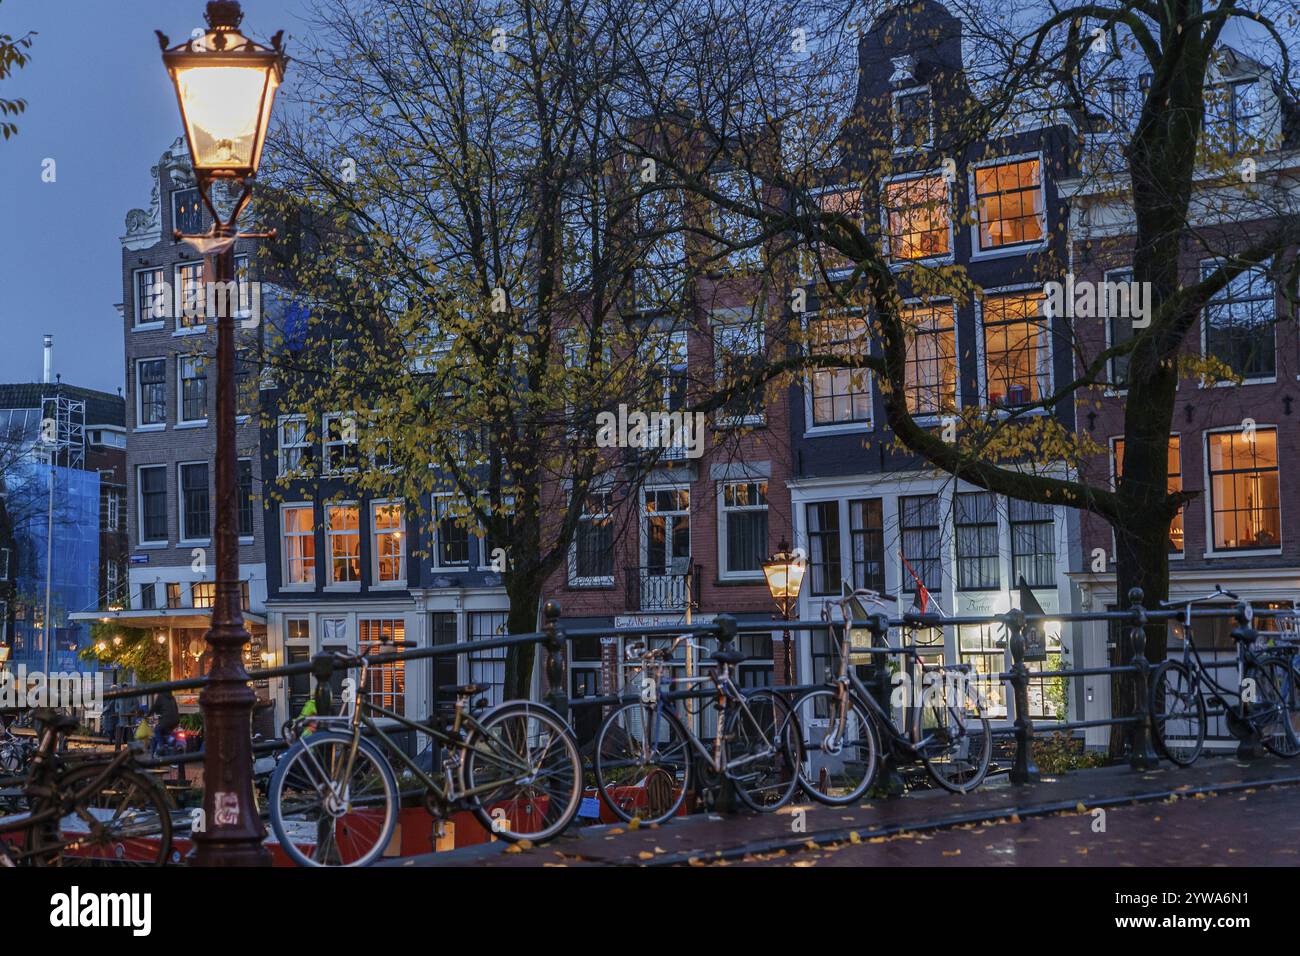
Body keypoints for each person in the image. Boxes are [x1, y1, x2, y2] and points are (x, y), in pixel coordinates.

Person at [148, 689, 180, 757]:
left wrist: (147, 715)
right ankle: (167, 748)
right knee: (166, 732)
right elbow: (176, 709)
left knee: (156, 730)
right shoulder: (172, 697)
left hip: (166, 720)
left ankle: (162, 746)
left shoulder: (161, 696)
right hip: (175, 721)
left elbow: (154, 707)